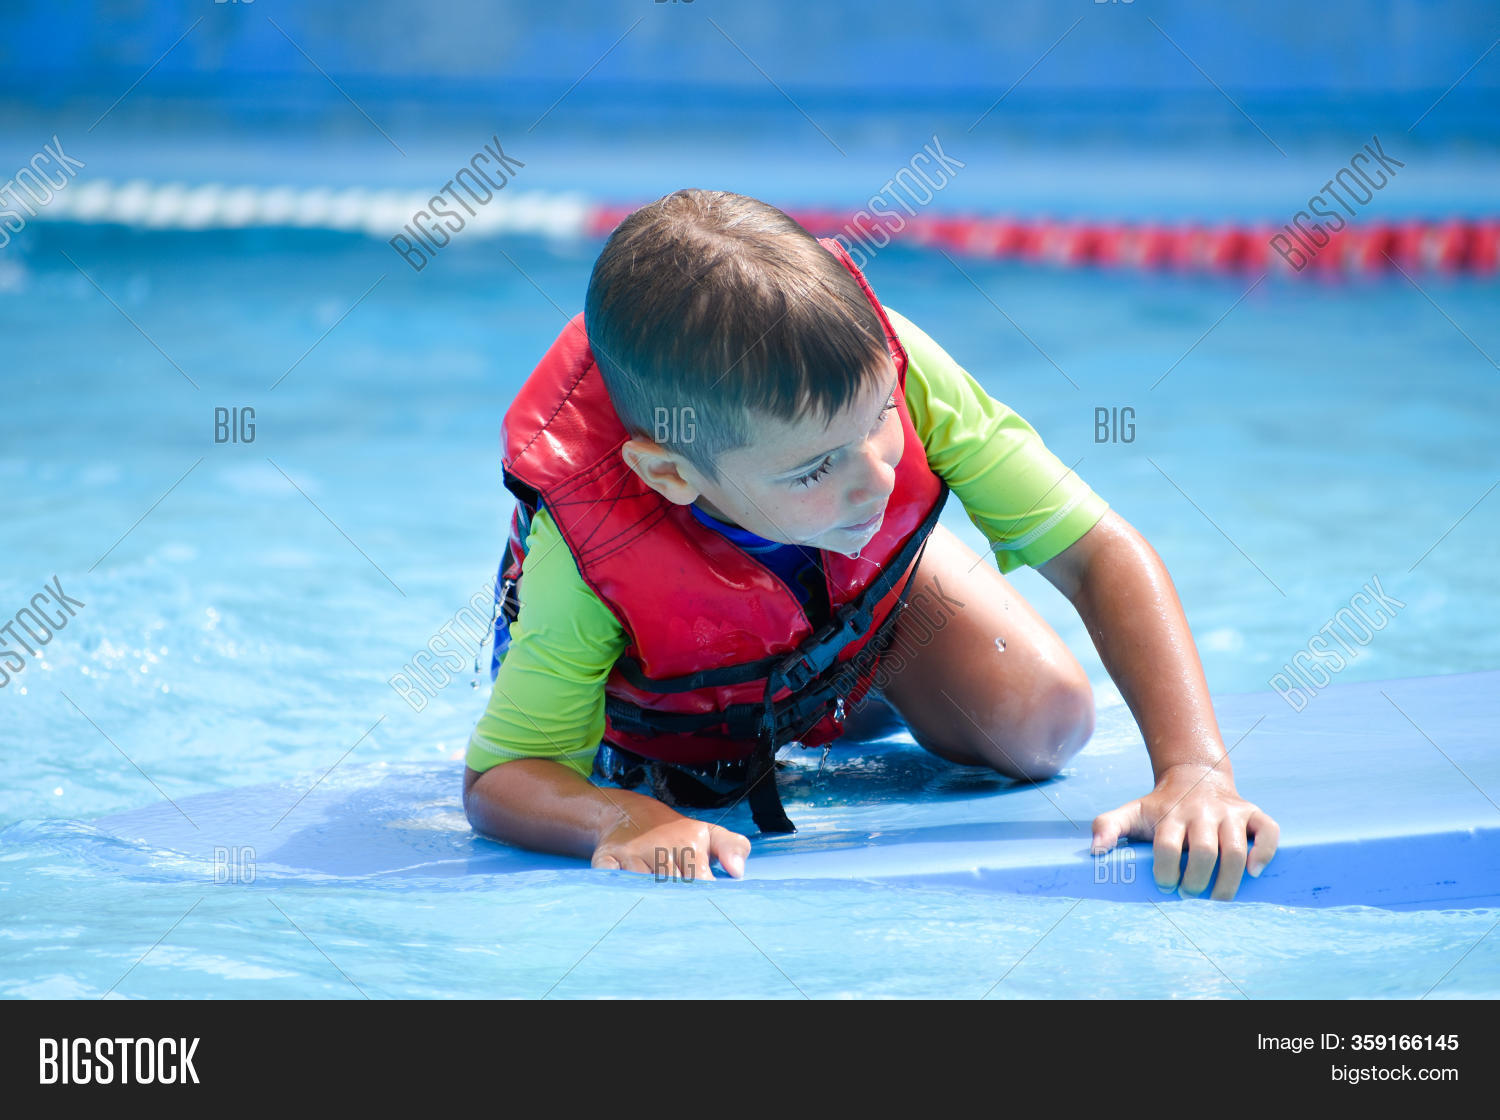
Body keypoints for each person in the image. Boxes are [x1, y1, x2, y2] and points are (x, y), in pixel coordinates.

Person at [462, 188, 1278, 900]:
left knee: (1040, 722)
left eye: (880, 420)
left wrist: (1193, 774)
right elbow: (500, 778)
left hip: (849, 607)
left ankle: (835, 688)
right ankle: (775, 709)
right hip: (657, 707)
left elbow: (1098, 550)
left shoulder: (889, 365)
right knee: (688, 788)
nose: (877, 480)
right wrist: (621, 818)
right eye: (816, 466)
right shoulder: (590, 544)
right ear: (670, 472)